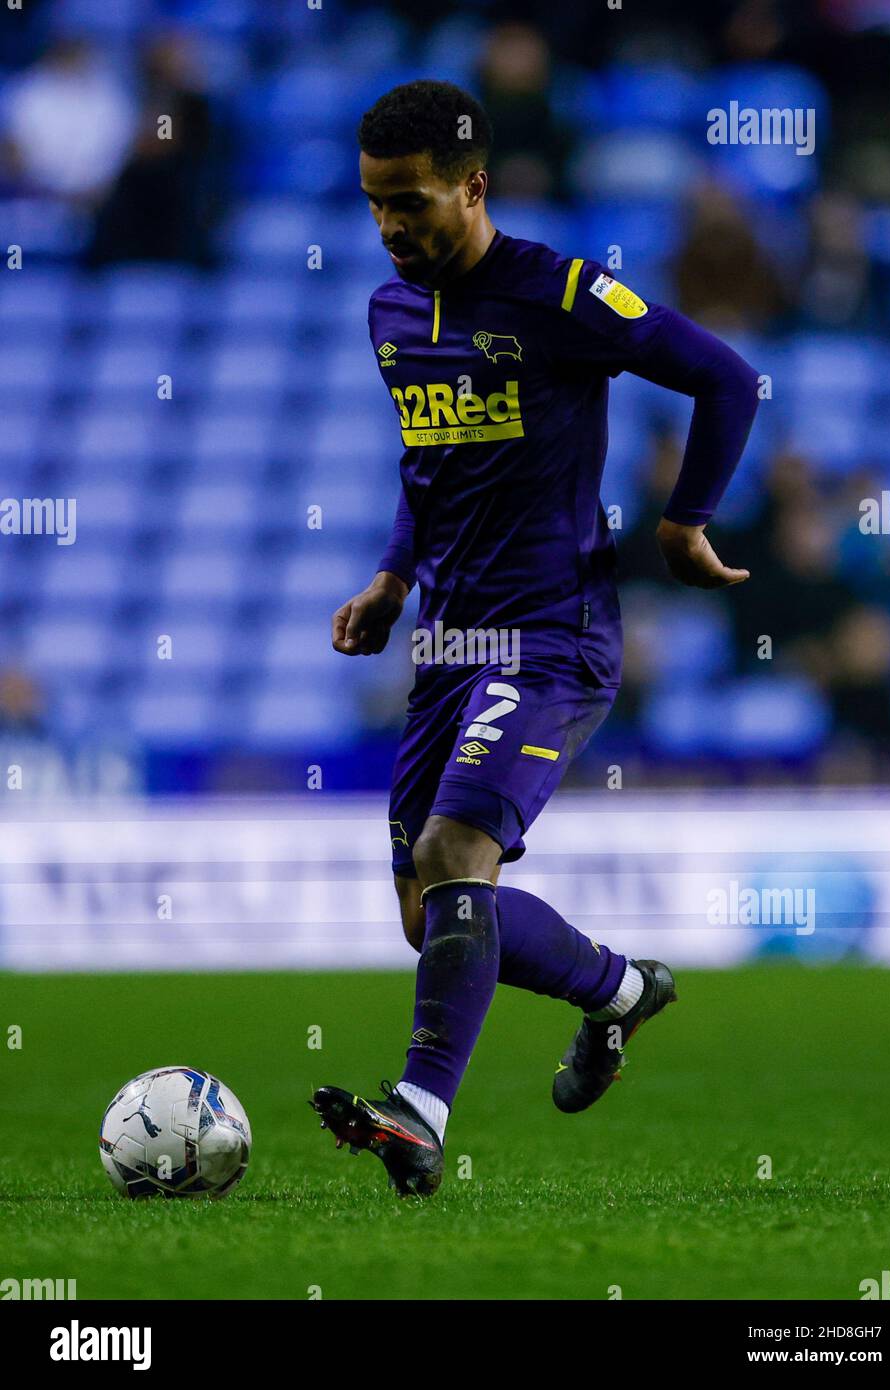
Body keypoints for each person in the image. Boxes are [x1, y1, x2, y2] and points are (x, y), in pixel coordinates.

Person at [313, 81, 759, 1198]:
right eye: (373, 205)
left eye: (408, 203)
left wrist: (683, 518)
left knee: (455, 856)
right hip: (445, 639)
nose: (390, 227)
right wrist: (389, 575)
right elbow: (433, 461)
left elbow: (723, 376)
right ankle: (618, 992)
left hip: (550, 631)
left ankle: (416, 1113)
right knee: (431, 918)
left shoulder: (558, 291)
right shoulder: (388, 312)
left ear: (471, 187)